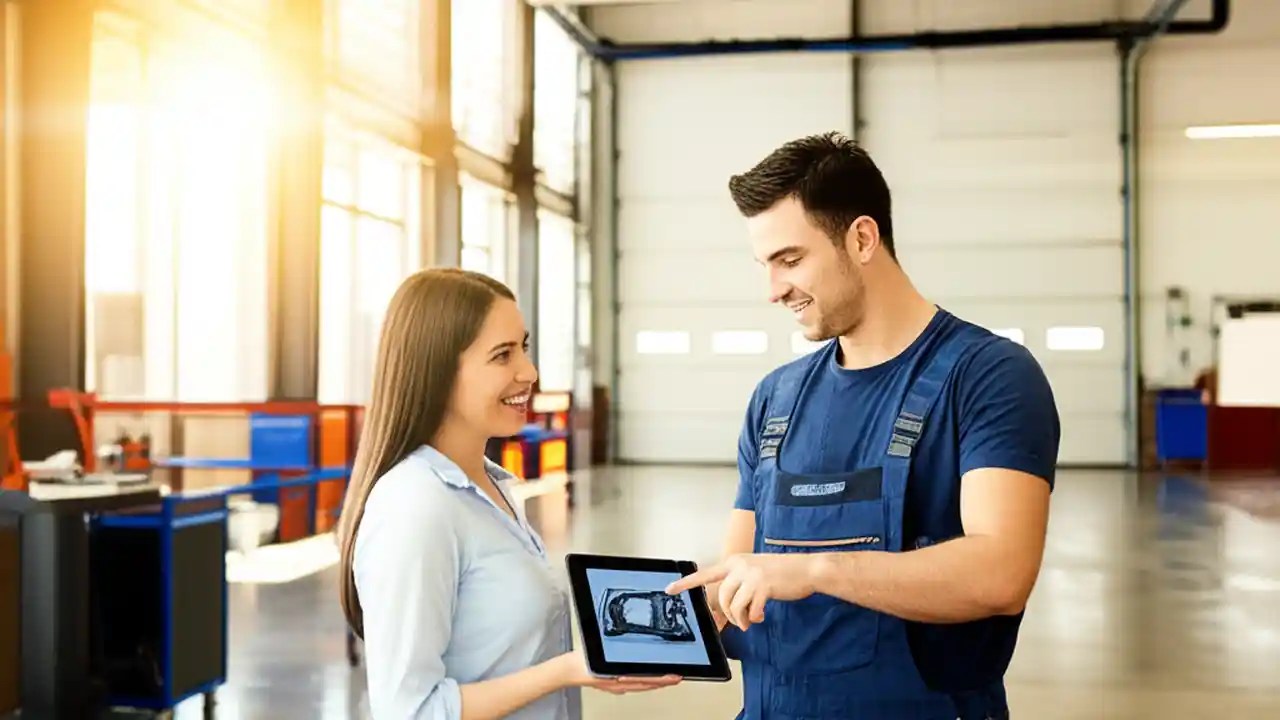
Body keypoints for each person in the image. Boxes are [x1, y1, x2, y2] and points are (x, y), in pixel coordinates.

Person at [668, 133, 1060, 720]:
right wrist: (668, 626)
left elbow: (1001, 573)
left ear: (862, 238)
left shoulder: (989, 376)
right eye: (765, 266)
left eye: (791, 260)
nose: (773, 291)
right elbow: (739, 572)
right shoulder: (775, 399)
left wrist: (817, 569)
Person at [336, 268, 679, 719]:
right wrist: (567, 671)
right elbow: (410, 711)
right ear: (437, 371)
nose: (529, 371)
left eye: (525, 347)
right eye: (502, 355)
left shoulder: (488, 486)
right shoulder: (415, 505)